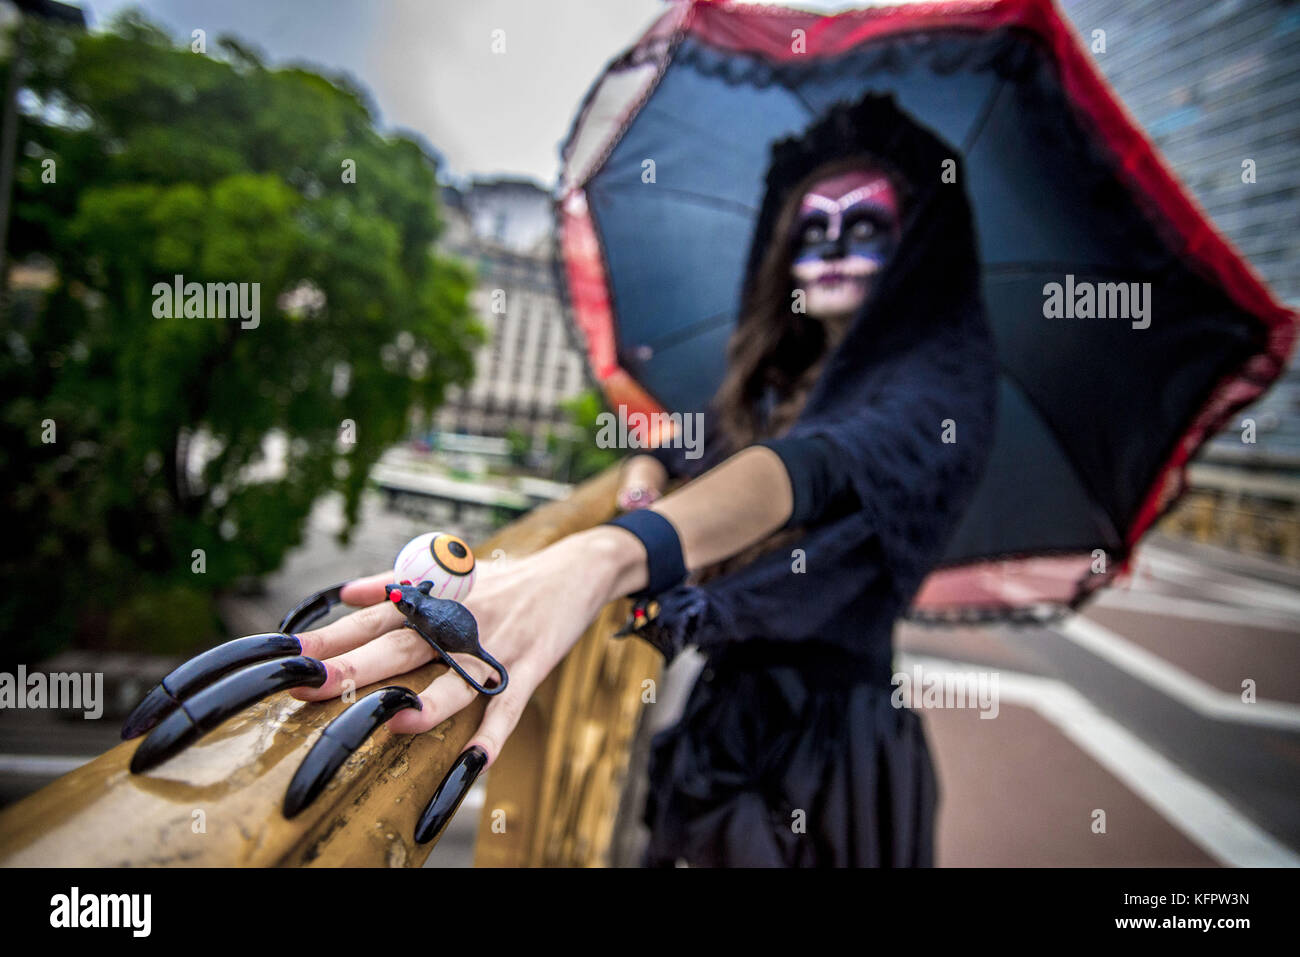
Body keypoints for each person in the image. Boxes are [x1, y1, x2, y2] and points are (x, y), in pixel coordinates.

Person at [289, 93, 998, 866]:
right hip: (727, 711)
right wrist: (649, 465)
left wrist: (600, 557)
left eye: (865, 230)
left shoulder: (944, 393)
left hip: (830, 747)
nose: (829, 249)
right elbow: (701, 447)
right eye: (812, 229)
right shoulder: (776, 381)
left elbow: (814, 467)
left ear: (917, 252)